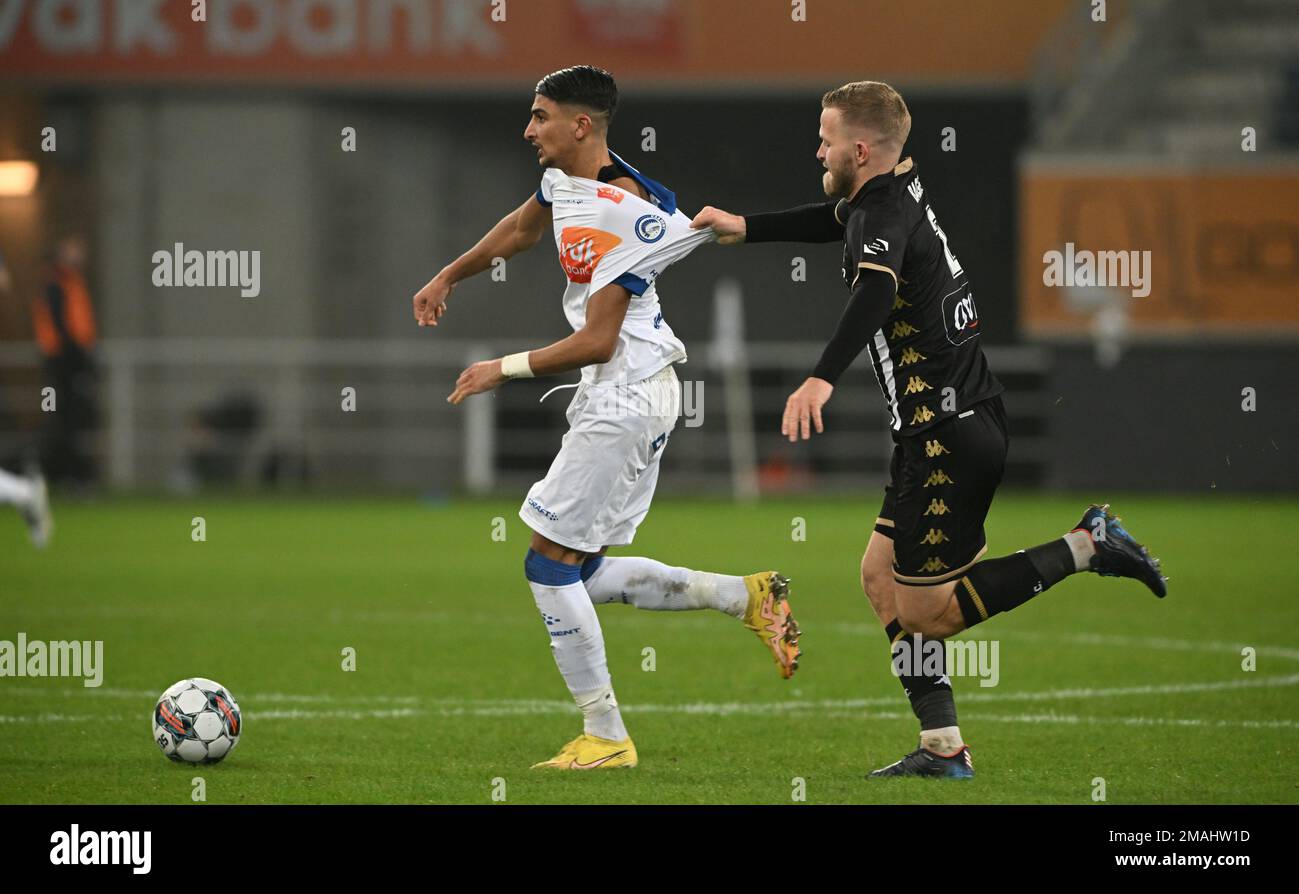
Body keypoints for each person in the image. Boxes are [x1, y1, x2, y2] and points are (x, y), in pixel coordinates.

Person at [692, 80, 1166, 778]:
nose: (816, 149)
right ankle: (943, 746)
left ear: (859, 148)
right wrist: (746, 224)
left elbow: (876, 290)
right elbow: (840, 220)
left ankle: (1087, 545)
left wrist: (821, 375)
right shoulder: (892, 192)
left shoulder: (881, 210)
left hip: (948, 434)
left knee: (930, 615)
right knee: (880, 579)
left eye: (825, 139)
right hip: (941, 426)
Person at [411, 65, 801, 771]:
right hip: (624, 390)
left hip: (626, 389)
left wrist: (502, 368)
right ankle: (741, 596)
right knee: (579, 569)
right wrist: (448, 275)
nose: (529, 129)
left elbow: (598, 340)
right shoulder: (565, 183)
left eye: (540, 115)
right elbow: (519, 230)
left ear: (581, 125)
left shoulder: (620, 210)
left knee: (544, 562)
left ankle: (607, 736)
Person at [32, 235, 99, 486]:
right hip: (60, 365)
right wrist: (78, 360)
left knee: (72, 419)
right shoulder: (56, 284)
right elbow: (62, 327)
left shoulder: (71, 282)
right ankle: (59, 475)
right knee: (59, 418)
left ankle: (67, 475)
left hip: (69, 362)